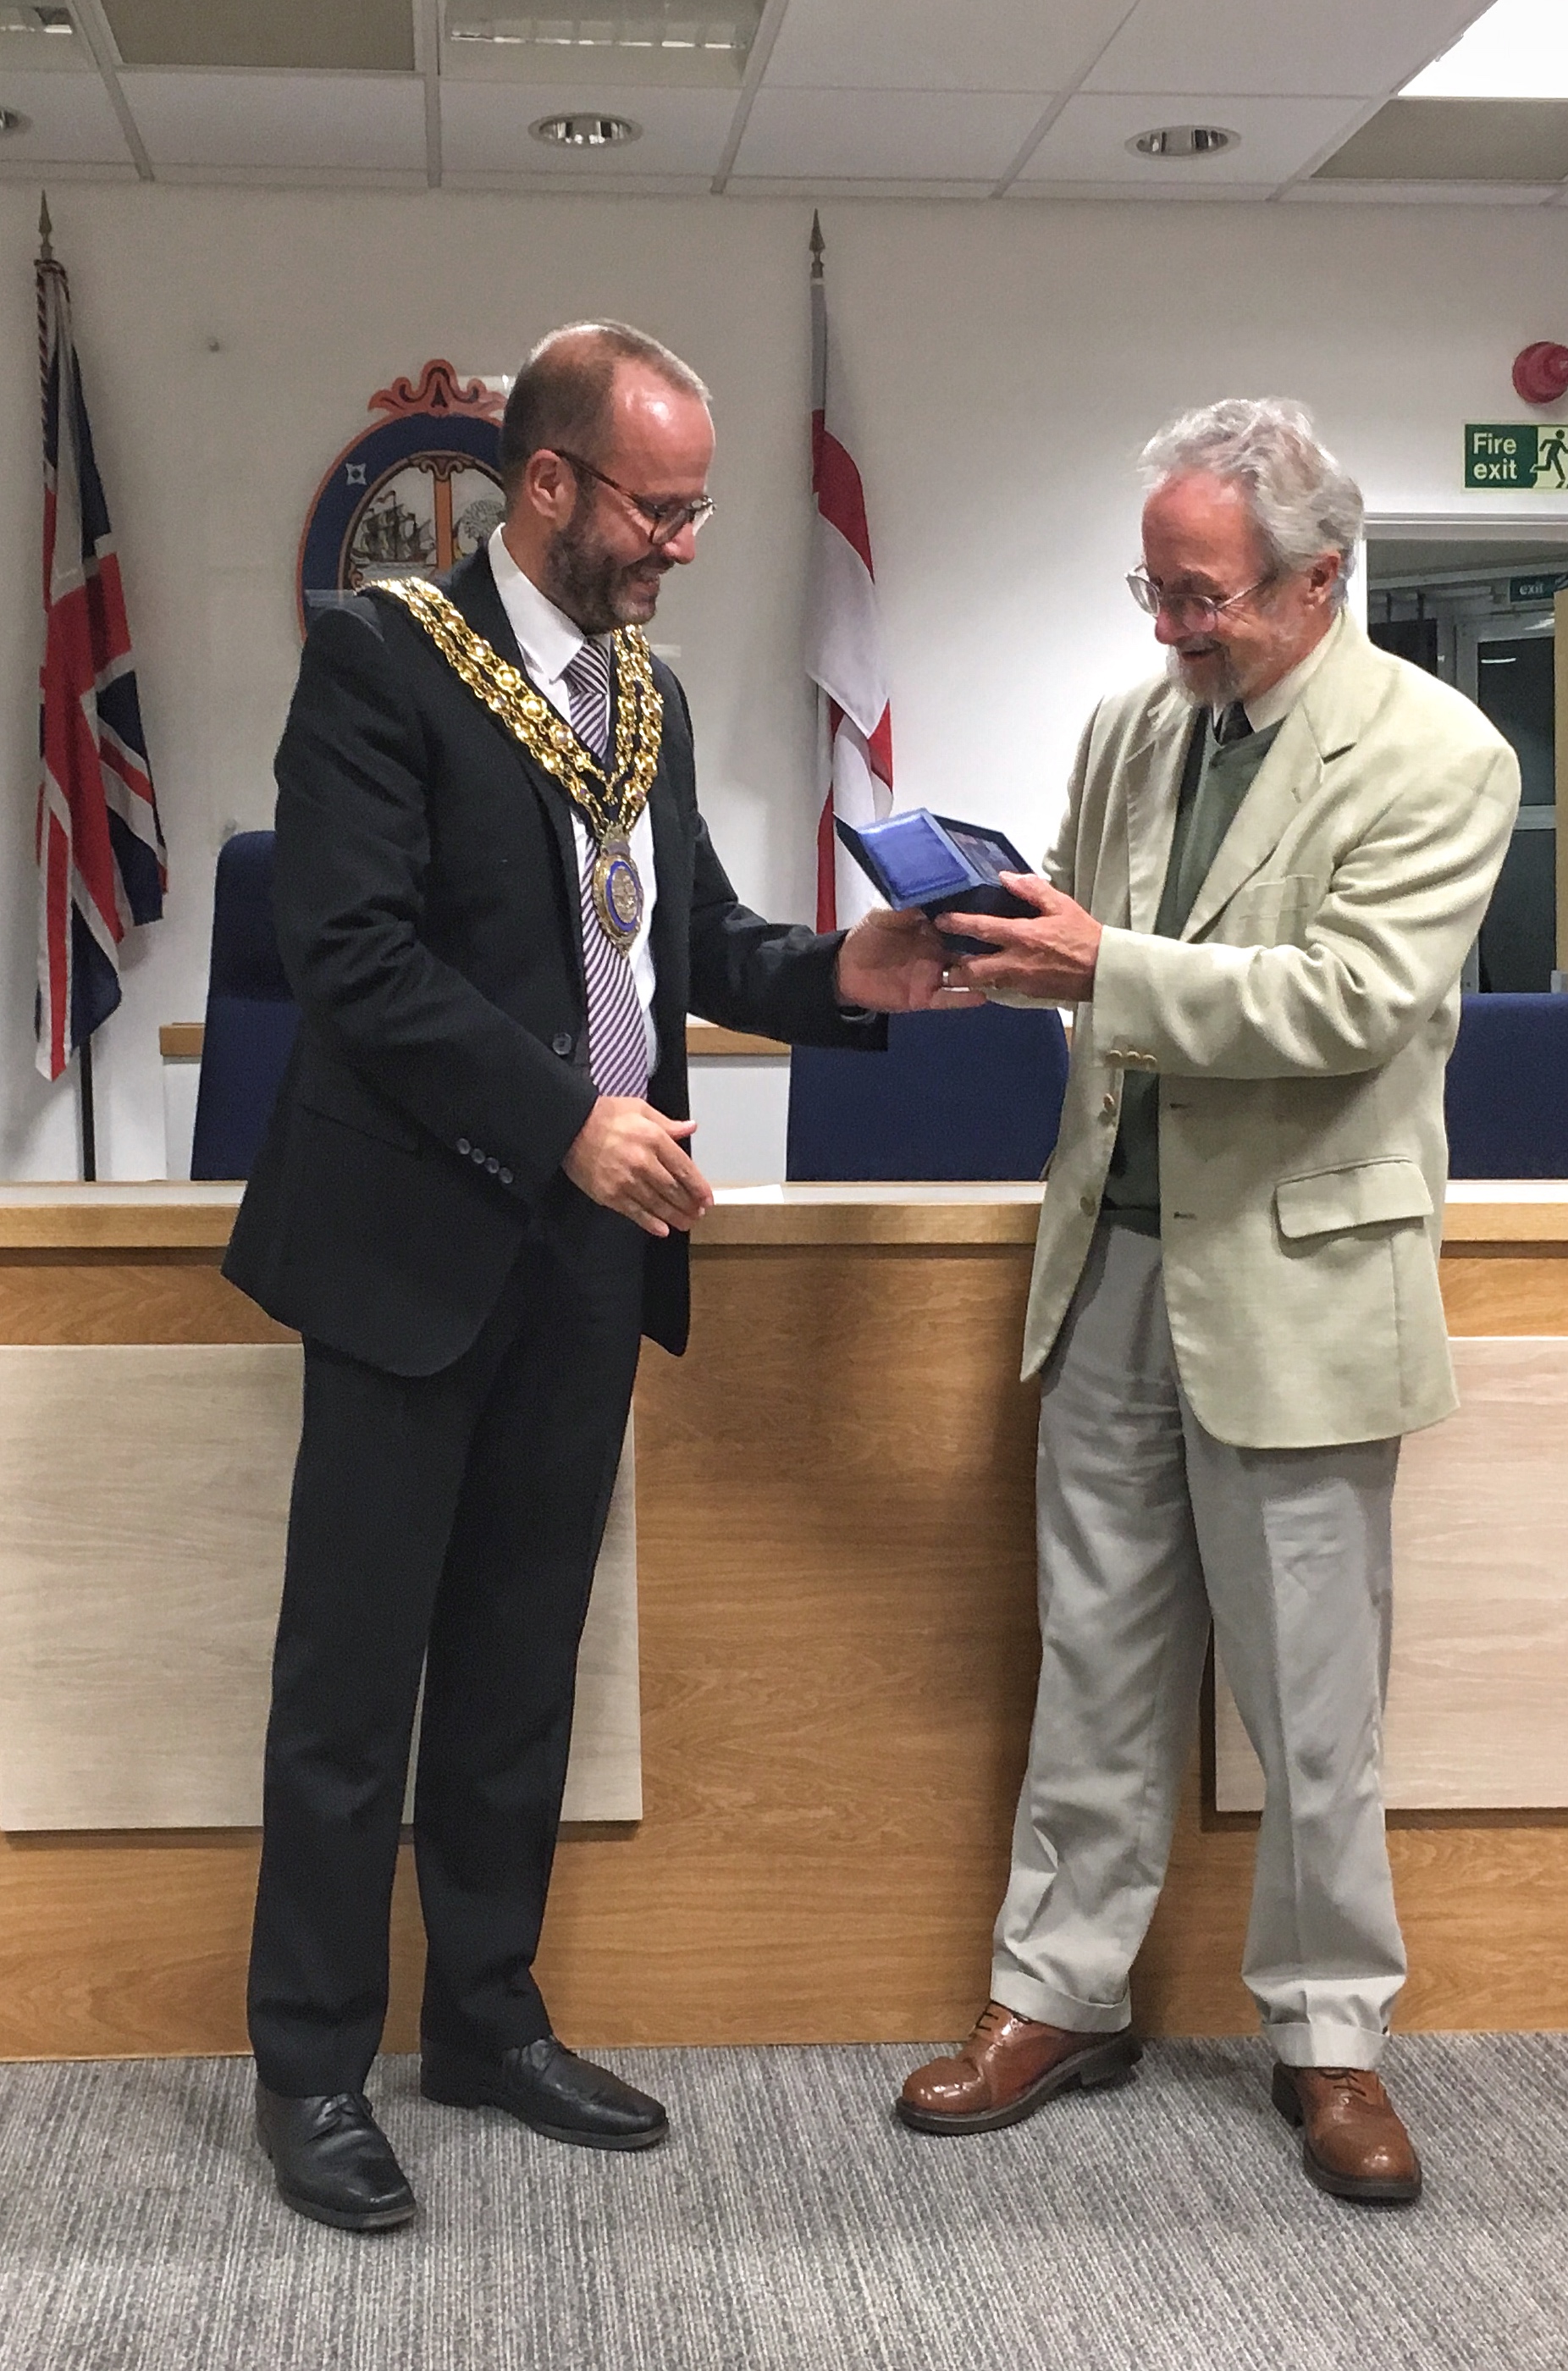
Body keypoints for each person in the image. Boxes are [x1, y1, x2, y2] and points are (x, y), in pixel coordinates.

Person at [227, 320, 961, 2232]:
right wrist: (566, 1115)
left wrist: (842, 980)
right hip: (413, 1246)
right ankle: (311, 2065)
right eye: (663, 503)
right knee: (351, 1678)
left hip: (583, 1257)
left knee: (515, 1666)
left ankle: (484, 2013)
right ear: (547, 480)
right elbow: (357, 959)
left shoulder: (645, 691)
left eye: (700, 504)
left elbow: (683, 930)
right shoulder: (380, 667)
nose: (686, 541)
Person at [896, 399, 1518, 2206]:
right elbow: (1115, 970)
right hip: (1115, 1256)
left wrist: (1106, 960)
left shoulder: (1439, 754)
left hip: (1303, 1275)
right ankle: (1059, 1995)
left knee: (1314, 1696)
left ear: (1321, 578)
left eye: (1204, 597)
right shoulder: (1134, 726)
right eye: (1152, 590)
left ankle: (1331, 2037)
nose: (1170, 630)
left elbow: (1346, 1003)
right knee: (1094, 1651)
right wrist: (1017, 957)